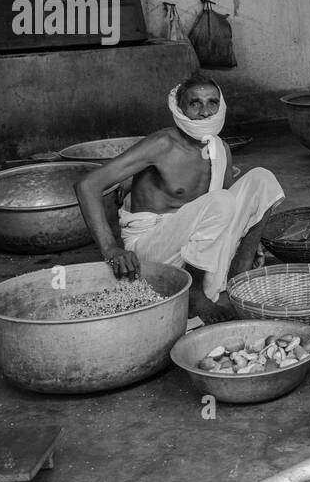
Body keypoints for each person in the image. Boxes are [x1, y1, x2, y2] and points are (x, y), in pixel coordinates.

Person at [74, 74, 285, 322]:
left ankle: (239, 277)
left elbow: (231, 211)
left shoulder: (220, 148)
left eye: (212, 102)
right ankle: (196, 295)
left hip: (197, 246)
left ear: (221, 105)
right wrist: (111, 248)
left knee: (262, 178)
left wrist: (249, 235)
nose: (205, 112)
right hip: (153, 246)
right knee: (220, 201)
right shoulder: (162, 144)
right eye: (195, 103)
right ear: (179, 107)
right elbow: (87, 185)